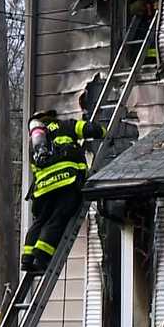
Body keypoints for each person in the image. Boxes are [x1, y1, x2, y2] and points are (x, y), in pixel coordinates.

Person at [22, 109, 106, 273]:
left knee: (40, 222)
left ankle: (27, 258)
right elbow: (90, 130)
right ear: (52, 117)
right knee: (57, 219)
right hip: (66, 182)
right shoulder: (66, 126)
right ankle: (42, 257)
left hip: (42, 190)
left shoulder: (34, 145)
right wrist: (104, 131)